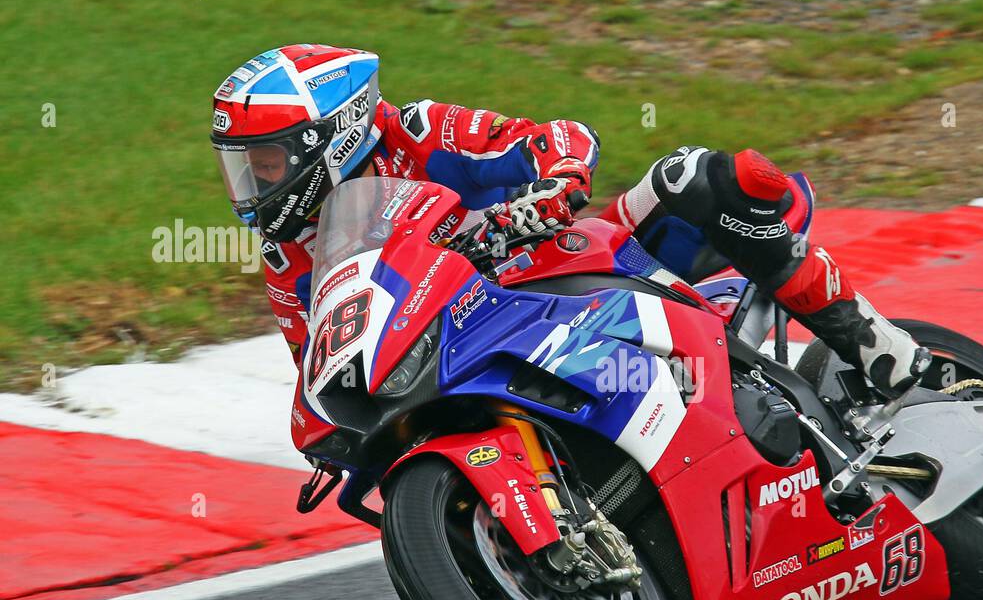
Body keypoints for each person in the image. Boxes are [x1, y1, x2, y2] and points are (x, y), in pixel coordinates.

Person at [211, 44, 929, 396]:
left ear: (330, 138)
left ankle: (881, 349)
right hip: (474, 351)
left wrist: (554, 188)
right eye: (244, 167)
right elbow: (321, 362)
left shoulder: (422, 131)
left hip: (572, 265)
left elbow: (554, 137)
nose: (254, 184)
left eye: (265, 162)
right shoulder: (288, 256)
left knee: (698, 176)